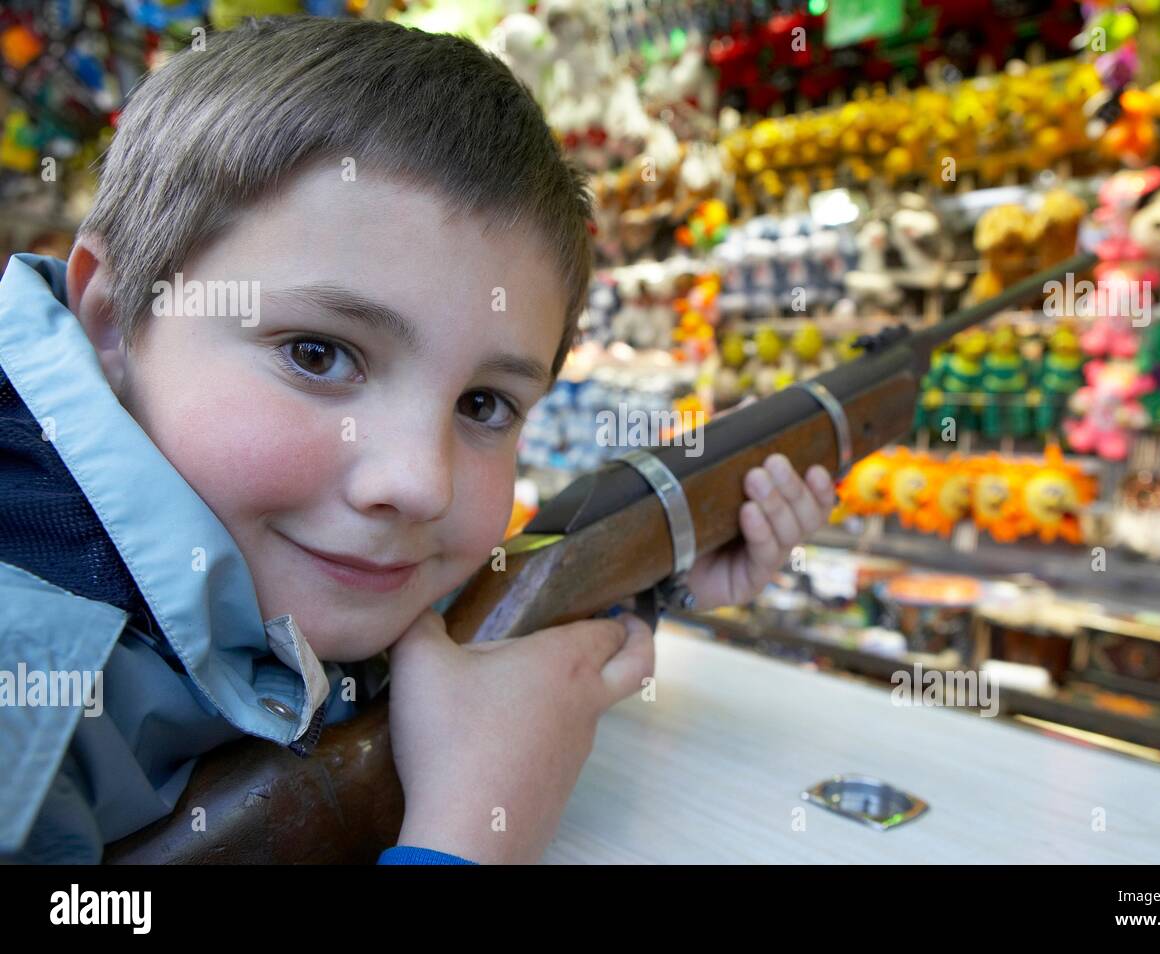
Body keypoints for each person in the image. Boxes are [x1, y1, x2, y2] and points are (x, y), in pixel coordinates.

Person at [0, 17, 838, 864]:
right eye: (318, 355)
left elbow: (470, 618)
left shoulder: (299, 560)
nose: (419, 484)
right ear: (110, 319)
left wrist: (665, 567)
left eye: (483, 405)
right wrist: (465, 838)